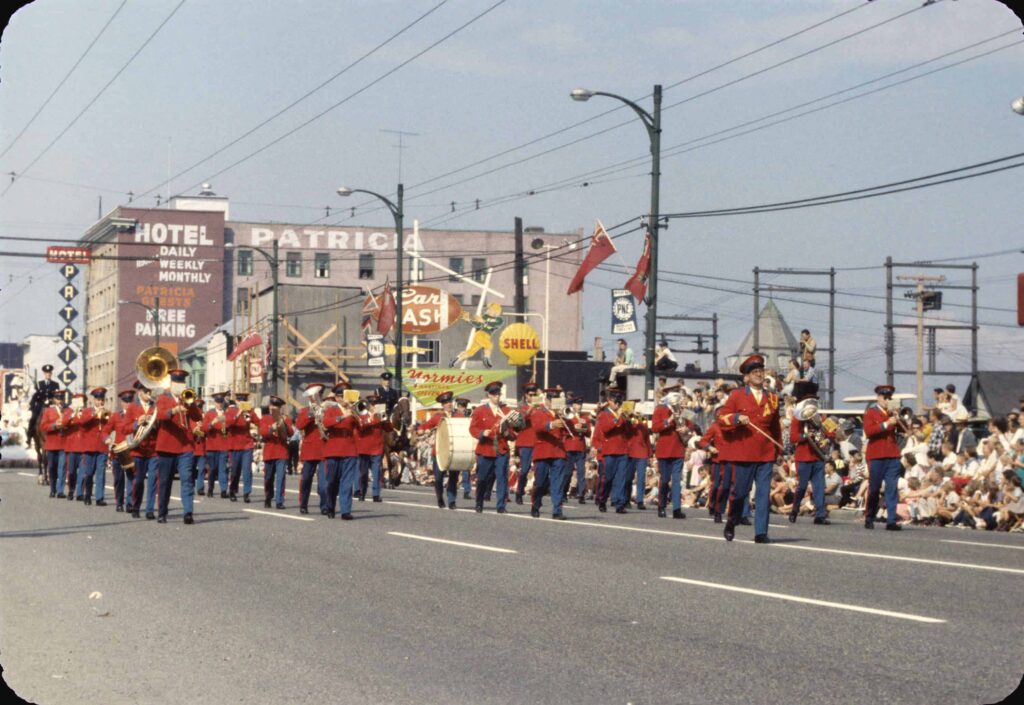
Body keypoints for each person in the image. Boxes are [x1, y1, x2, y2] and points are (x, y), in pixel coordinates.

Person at [718, 354, 782, 544]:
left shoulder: (772, 398)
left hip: (765, 453)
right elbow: (722, 417)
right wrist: (736, 418)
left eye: (761, 371)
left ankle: (761, 532)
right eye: (754, 372)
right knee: (740, 492)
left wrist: (778, 450)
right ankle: (732, 520)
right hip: (744, 453)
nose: (759, 375)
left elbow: (775, 427)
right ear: (747, 377)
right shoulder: (737, 395)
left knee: (763, 494)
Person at [154, 370, 203, 524]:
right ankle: (162, 512)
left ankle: (188, 512)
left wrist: (191, 403)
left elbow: (197, 417)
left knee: (187, 479)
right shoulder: (163, 398)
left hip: (185, 446)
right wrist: (174, 410)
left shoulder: (186, 399)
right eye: (177, 383)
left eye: (182, 383)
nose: (180, 386)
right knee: (165, 481)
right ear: (172, 384)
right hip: (167, 446)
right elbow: (160, 415)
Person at [788, 381, 832, 526]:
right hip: (804, 457)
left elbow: (830, 432)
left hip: (818, 457)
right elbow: (793, 437)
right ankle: (795, 509)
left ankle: (820, 515)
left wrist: (827, 438)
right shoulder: (797, 418)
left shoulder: (820, 418)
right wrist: (806, 436)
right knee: (802, 486)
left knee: (819, 487)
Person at [863, 384, 905, 531]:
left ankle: (891, 520)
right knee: (874, 488)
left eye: (889, 398)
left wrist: (899, 418)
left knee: (892, 488)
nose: (887, 400)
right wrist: (886, 424)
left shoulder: (892, 413)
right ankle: (869, 517)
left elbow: (905, 430)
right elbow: (869, 431)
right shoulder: (871, 412)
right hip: (876, 455)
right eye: (885, 397)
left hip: (892, 455)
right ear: (878, 398)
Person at [469, 381, 515, 514]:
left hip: (501, 449)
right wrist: (482, 433)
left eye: (498, 394)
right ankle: (479, 502)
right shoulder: (480, 410)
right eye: (494, 395)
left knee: (502, 477)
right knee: (482, 478)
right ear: (489, 395)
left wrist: (508, 434)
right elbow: (472, 428)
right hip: (485, 449)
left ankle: (501, 505)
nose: (497, 397)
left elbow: (514, 432)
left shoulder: (506, 411)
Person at [528, 388, 573, 519]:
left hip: (558, 451)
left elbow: (570, 431)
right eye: (553, 400)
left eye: (558, 401)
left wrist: (567, 421)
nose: (556, 403)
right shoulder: (538, 412)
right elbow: (537, 427)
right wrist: (551, 424)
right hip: (543, 451)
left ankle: (557, 511)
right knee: (540, 482)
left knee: (558, 482)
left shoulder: (561, 414)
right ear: (547, 401)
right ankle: (535, 505)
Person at [322, 382, 362, 520]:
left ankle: (345, 510)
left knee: (347, 482)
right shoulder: (331, 410)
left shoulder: (353, 411)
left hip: (349, 449)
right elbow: (326, 423)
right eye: (343, 397)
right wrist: (343, 416)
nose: (346, 400)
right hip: (334, 448)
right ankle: (330, 506)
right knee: (332, 481)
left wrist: (356, 414)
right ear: (337, 398)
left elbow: (361, 427)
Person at [652, 387, 691, 519]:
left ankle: (676, 509)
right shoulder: (660, 409)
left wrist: (687, 429)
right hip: (664, 450)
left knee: (676, 481)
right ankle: (661, 506)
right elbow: (655, 427)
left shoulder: (683, 410)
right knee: (664, 480)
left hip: (678, 449)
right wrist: (669, 420)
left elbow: (691, 424)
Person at [417, 391, 459, 510]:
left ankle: (451, 500)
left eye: (450, 401)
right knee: (439, 478)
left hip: (454, 451)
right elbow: (423, 427)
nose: (449, 404)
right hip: (440, 452)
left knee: (453, 477)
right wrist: (422, 430)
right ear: (443, 405)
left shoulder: (458, 416)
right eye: (446, 403)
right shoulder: (438, 417)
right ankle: (440, 497)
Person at [595, 389, 632, 513]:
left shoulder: (622, 415)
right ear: (609, 401)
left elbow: (628, 433)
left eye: (619, 402)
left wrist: (628, 420)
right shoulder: (603, 414)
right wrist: (617, 418)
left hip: (623, 450)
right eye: (616, 402)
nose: (617, 405)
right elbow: (606, 429)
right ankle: (602, 499)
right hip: (610, 451)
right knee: (608, 478)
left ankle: (620, 504)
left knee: (621, 478)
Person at [127, 381, 159, 519]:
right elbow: (124, 428)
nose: (148, 394)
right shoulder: (132, 407)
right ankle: (136, 506)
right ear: (139, 392)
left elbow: (161, 426)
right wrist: (137, 423)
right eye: (146, 391)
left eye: (150, 391)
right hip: (138, 449)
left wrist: (154, 423)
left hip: (153, 450)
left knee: (153, 480)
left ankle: (150, 510)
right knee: (139, 480)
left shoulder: (155, 407)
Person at [296, 383, 328, 515]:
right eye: (314, 395)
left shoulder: (327, 410)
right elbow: (299, 425)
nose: (316, 397)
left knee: (324, 482)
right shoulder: (305, 411)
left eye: (318, 395)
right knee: (306, 480)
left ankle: (325, 506)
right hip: (310, 450)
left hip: (324, 449)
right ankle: (303, 504)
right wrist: (311, 414)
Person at [259, 395, 293, 509]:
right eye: (272, 406)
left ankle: (279, 501)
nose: (274, 408)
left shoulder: (286, 418)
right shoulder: (265, 418)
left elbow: (291, 433)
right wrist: (271, 428)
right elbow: (263, 432)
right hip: (269, 452)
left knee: (281, 477)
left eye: (277, 406)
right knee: (268, 478)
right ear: (269, 407)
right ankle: (268, 496)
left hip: (281, 451)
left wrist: (283, 424)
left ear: (280, 408)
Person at [356, 395, 392, 503]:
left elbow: (389, 429)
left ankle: (376, 494)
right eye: (373, 404)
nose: (375, 406)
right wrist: (374, 420)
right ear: (369, 406)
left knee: (376, 473)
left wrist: (386, 420)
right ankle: (362, 492)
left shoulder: (380, 416)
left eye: (376, 404)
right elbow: (361, 427)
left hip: (376, 448)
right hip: (364, 449)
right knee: (363, 473)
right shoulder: (362, 415)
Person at [107, 389, 136, 512]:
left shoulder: (137, 416)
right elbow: (105, 430)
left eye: (130, 401)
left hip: (132, 451)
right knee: (119, 479)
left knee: (131, 478)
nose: (128, 404)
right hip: (118, 452)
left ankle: (130, 503)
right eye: (126, 402)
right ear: (122, 403)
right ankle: (119, 502)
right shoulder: (116, 416)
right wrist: (107, 439)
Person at [450, 302, 504, 368]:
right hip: (480, 334)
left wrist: (483, 321)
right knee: (489, 345)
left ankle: (456, 359)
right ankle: (486, 359)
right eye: (490, 309)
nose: (489, 310)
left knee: (470, 352)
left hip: (487, 336)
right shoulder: (485, 316)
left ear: (496, 311)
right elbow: (478, 325)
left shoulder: (499, 320)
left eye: (491, 309)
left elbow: (494, 325)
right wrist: (469, 320)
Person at [227, 392, 255, 502]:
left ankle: (247, 493)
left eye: (244, 401)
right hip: (235, 446)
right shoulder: (231, 411)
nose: (242, 403)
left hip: (247, 445)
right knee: (235, 471)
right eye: (240, 401)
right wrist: (239, 412)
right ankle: (233, 490)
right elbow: (228, 424)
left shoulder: (248, 412)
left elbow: (257, 422)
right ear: (237, 401)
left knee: (247, 470)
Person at [513, 383, 539, 505]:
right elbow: (518, 422)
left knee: (539, 470)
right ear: (526, 395)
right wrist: (530, 409)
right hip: (526, 442)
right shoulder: (521, 407)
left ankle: (536, 494)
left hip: (538, 442)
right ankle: (519, 491)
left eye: (534, 394)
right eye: (530, 395)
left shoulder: (540, 408)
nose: (533, 397)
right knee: (524, 470)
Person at [203, 392, 231, 498]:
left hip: (223, 446)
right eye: (218, 402)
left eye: (221, 402)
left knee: (223, 469)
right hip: (212, 446)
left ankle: (224, 490)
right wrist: (212, 423)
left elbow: (230, 428)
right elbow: (204, 428)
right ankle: (210, 488)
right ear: (215, 403)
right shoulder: (209, 413)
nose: (219, 404)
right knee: (212, 469)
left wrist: (226, 423)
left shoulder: (227, 413)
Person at [563, 395, 590, 503]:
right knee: (568, 472)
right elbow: (564, 431)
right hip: (569, 447)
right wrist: (574, 428)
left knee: (581, 472)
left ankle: (581, 495)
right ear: (573, 405)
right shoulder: (567, 415)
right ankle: (564, 492)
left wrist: (584, 428)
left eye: (580, 404)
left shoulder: (585, 417)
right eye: (577, 404)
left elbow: (589, 433)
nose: (579, 406)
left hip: (580, 447)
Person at [27, 363, 60, 450]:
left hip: (50, 406)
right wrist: (32, 406)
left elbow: (57, 396)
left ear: (51, 374)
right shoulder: (39, 384)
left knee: (58, 419)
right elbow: (34, 396)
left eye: (49, 373)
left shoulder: (55, 384)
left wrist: (51, 400)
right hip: (40, 406)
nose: (48, 374)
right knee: (33, 419)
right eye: (46, 373)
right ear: (44, 374)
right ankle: (29, 437)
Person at [40, 389, 66, 498]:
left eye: (61, 398)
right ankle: (52, 489)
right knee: (52, 468)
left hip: (63, 444)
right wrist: (54, 425)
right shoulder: (48, 411)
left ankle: (60, 491)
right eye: (58, 398)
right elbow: (43, 426)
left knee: (62, 468)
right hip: (52, 444)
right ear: (54, 400)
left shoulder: (67, 410)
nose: (60, 400)